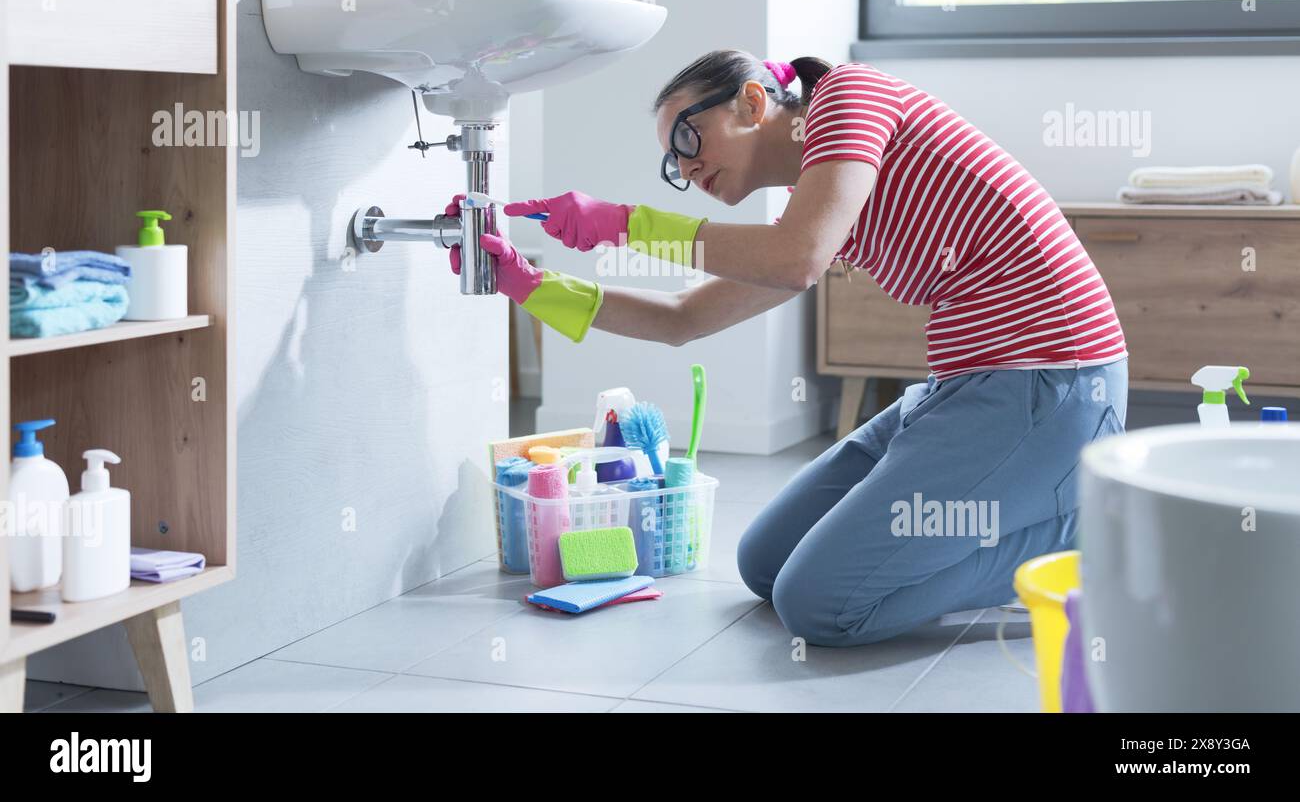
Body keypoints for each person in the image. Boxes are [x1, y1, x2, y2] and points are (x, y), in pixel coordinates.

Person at [446, 50, 1127, 646]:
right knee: (765, 563)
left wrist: (625, 225)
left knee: (821, 606)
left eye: (690, 135)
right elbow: (685, 319)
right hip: (964, 390)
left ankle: (1074, 542)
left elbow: (797, 259)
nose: (687, 165)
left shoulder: (849, 96)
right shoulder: (821, 203)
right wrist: (530, 286)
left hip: (1049, 383)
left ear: (751, 101)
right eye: (673, 161)